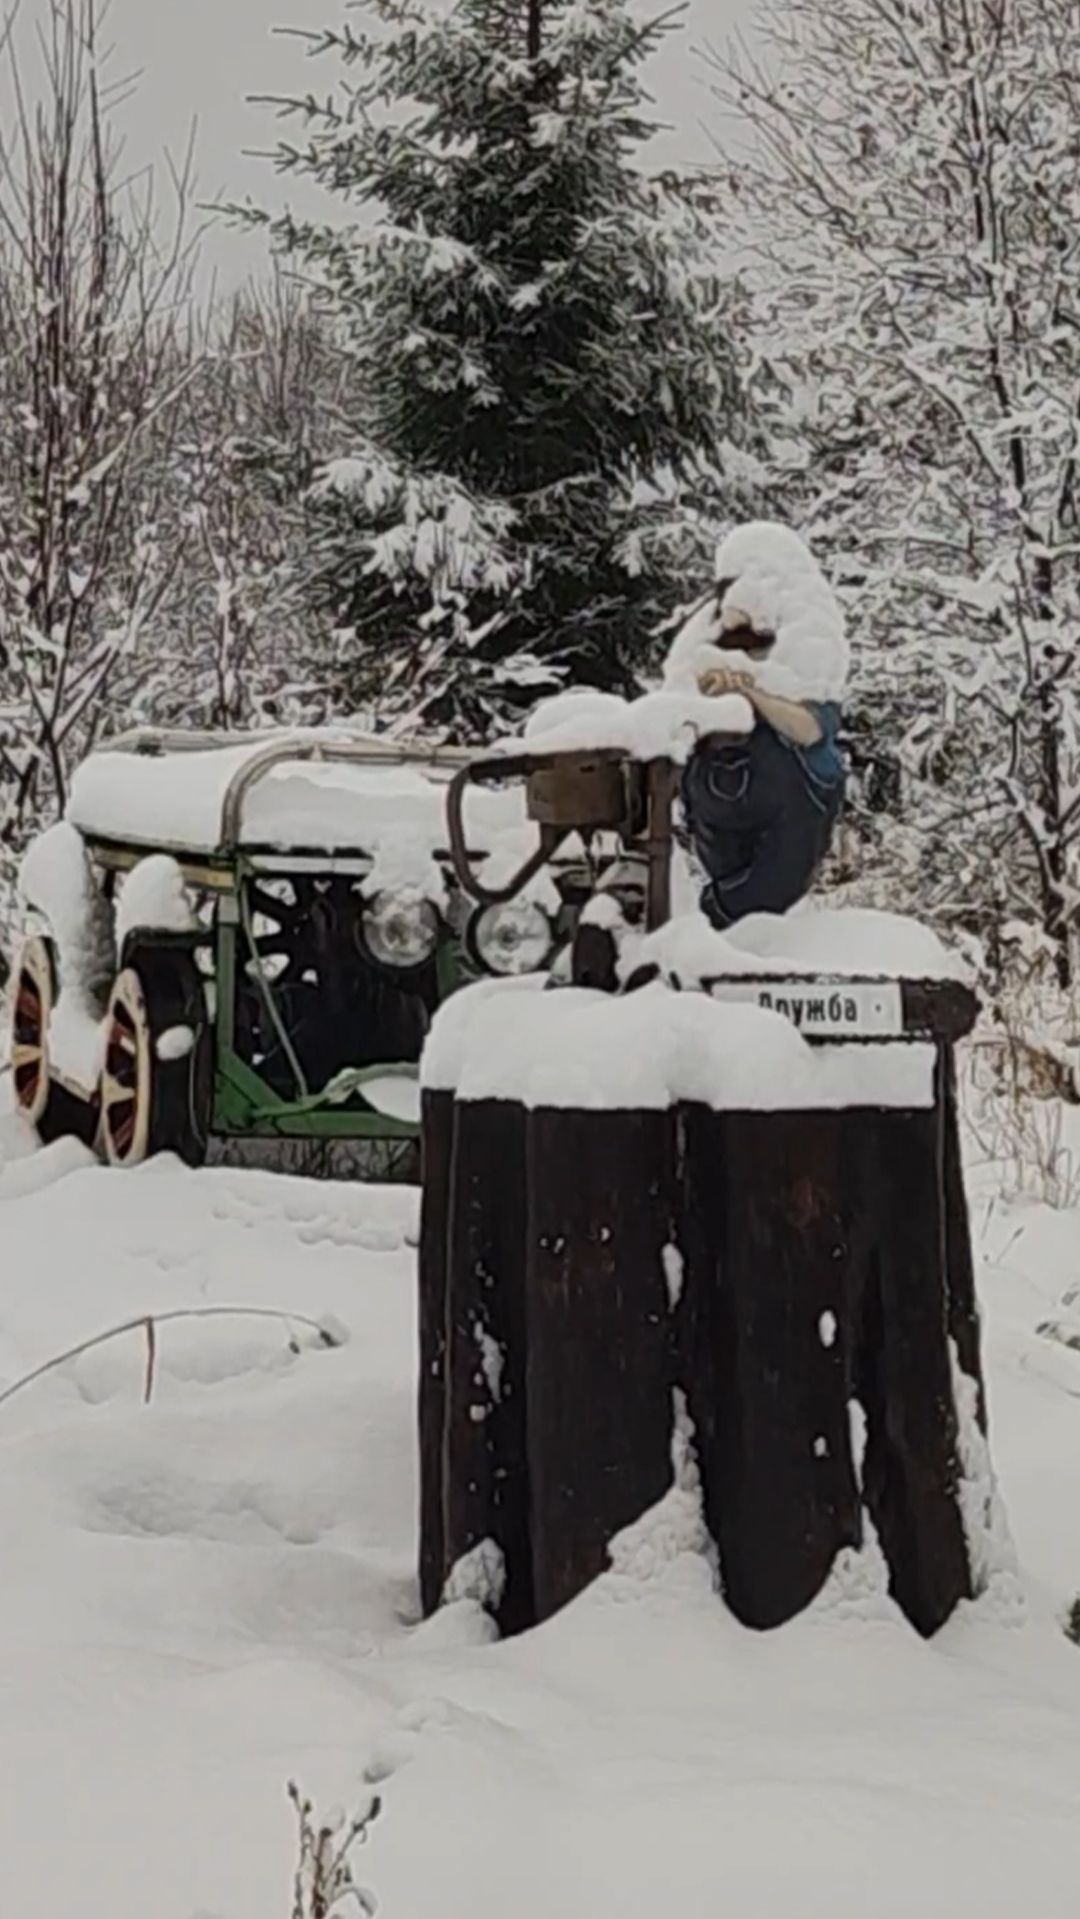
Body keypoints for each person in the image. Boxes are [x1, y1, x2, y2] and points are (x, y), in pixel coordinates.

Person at [668, 525, 847, 929]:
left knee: (763, 892)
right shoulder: (704, 636)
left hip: (783, 815)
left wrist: (754, 693)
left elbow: (811, 729)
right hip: (717, 805)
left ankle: (726, 916)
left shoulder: (807, 649)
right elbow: (673, 707)